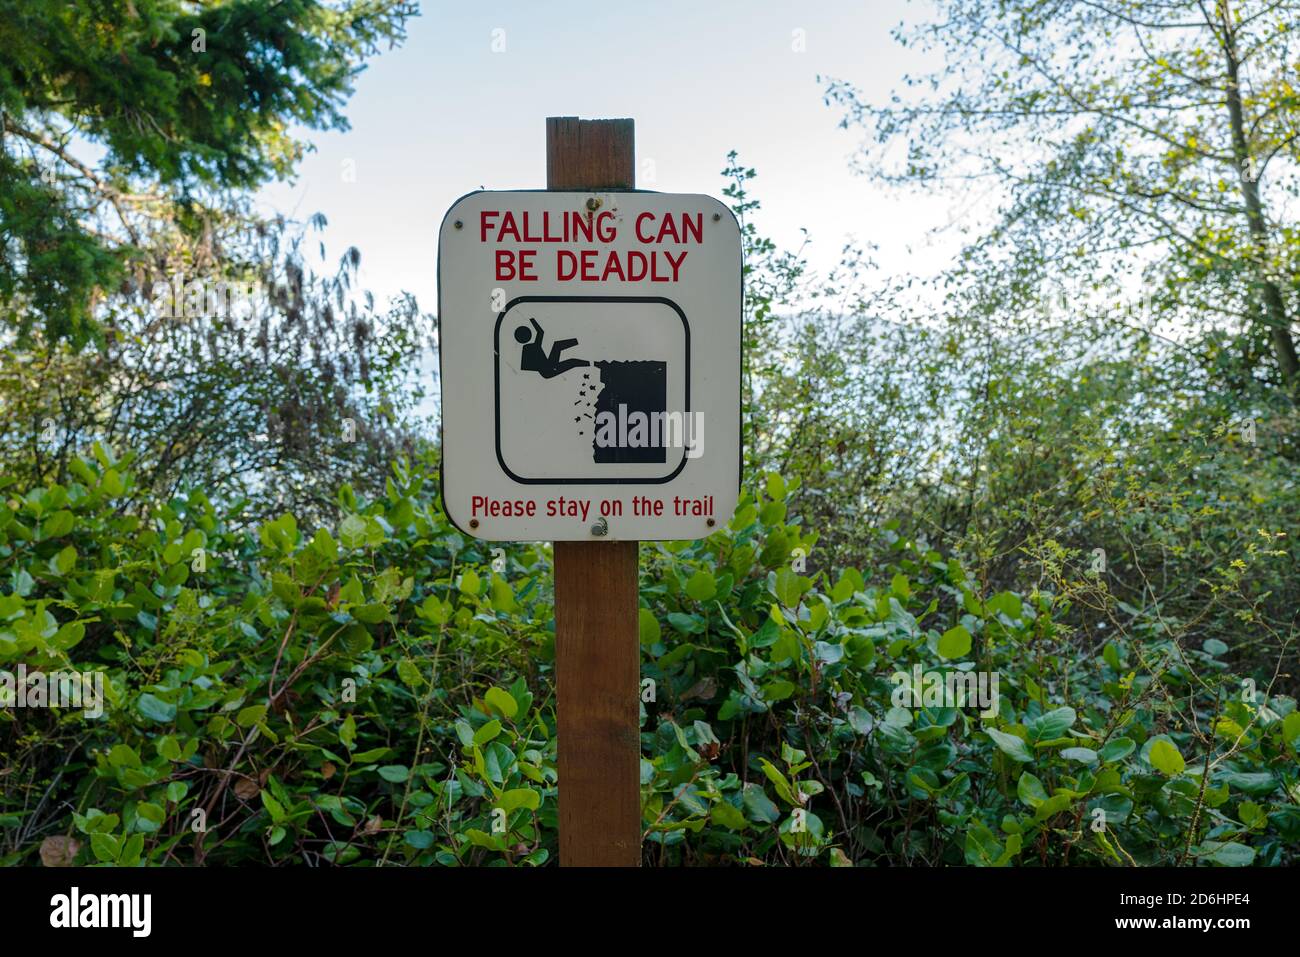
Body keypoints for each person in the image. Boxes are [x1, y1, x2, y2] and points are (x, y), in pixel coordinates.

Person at [514, 317, 589, 378]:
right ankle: (591, 364)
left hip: (549, 365)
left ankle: (581, 340)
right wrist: (531, 319)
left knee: (557, 345)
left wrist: (531, 319)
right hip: (549, 371)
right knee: (573, 361)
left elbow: (540, 332)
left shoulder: (531, 346)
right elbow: (540, 332)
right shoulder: (528, 349)